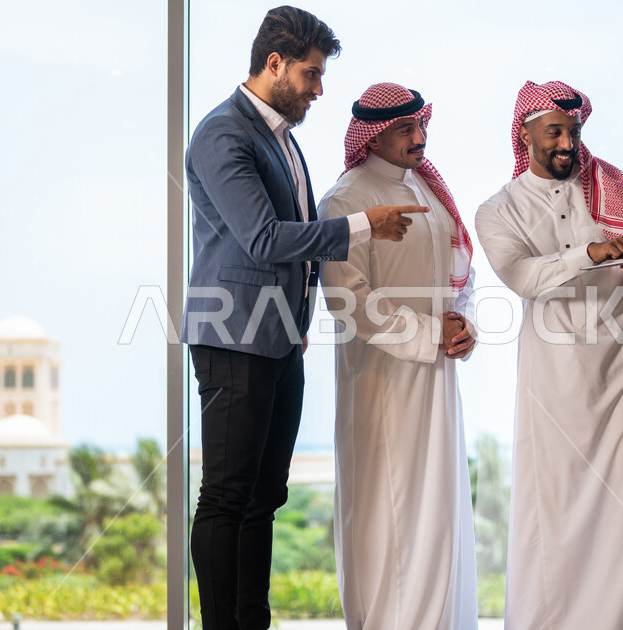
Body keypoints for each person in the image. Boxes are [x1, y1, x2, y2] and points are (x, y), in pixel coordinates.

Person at [179, 8, 427, 629]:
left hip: (281, 339)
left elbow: (290, 240)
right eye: (311, 74)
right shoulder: (222, 134)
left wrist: (297, 318)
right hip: (234, 338)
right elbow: (265, 239)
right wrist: (365, 224)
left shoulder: (281, 137)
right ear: (275, 64)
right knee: (226, 495)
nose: (319, 88)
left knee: (265, 496)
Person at [474, 80, 623, 630]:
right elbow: (523, 278)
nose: (568, 143)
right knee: (558, 508)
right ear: (525, 134)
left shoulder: (618, 187)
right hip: (556, 377)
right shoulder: (499, 209)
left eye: (574, 131)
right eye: (555, 131)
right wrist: (590, 253)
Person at [317, 83, 478, 630]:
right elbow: (348, 299)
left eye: (421, 125)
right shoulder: (347, 200)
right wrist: (431, 332)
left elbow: (460, 273)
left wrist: (463, 326)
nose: (419, 136)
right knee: (392, 512)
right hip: (382, 383)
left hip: (438, 377)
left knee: (438, 510)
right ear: (372, 138)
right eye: (406, 129)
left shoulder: (425, 187)